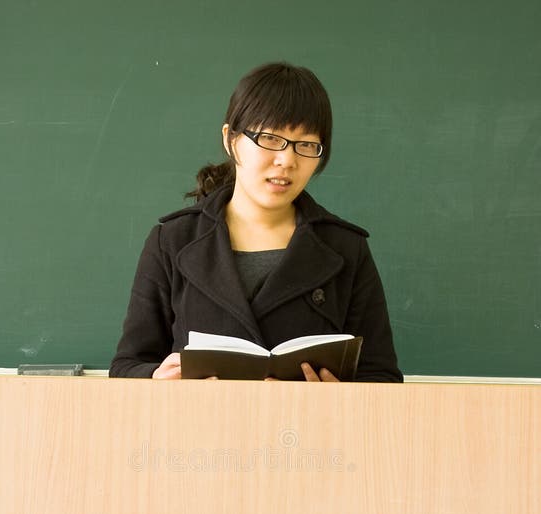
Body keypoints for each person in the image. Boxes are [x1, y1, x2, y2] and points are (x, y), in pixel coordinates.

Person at [109, 62, 402, 382]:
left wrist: (339, 396)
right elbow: (127, 366)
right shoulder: (173, 241)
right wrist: (157, 378)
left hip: (306, 431)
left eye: (306, 145)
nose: (287, 160)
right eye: (270, 138)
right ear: (231, 139)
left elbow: (382, 377)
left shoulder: (346, 249)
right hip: (198, 429)